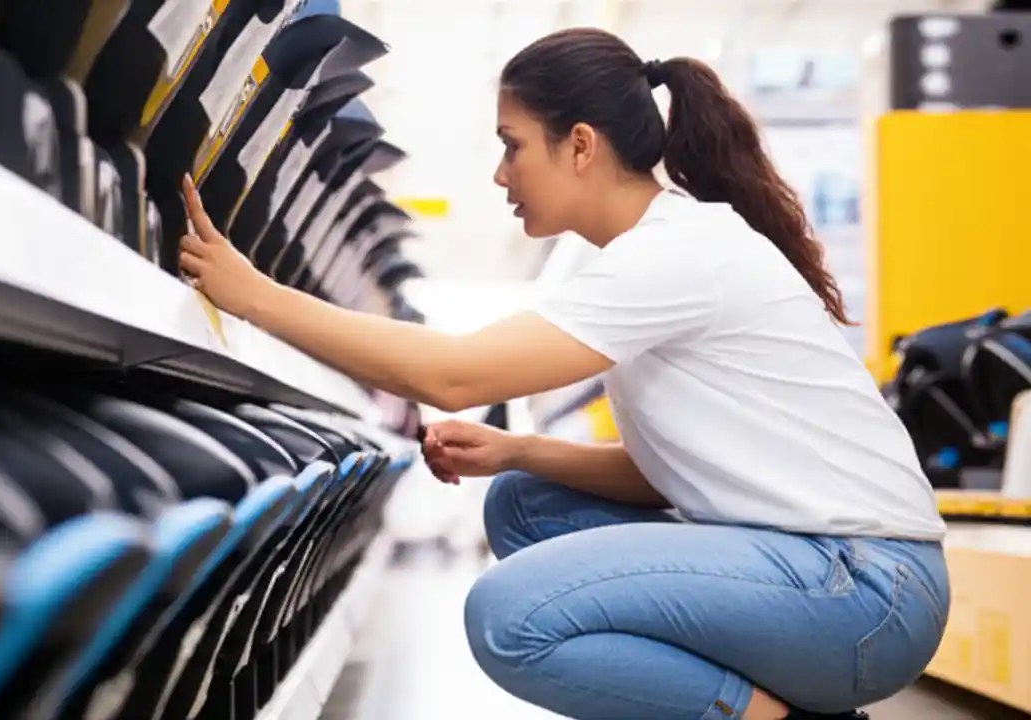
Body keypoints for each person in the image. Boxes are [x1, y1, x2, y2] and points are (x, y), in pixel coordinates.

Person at [176, 27, 949, 720]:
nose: (500, 175)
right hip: (829, 572)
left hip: (868, 593)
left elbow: (453, 375)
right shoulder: (650, 248)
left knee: (509, 619)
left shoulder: (671, 255)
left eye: (512, 145)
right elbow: (673, 477)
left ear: (580, 146)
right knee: (524, 505)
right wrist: (515, 452)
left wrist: (258, 299)